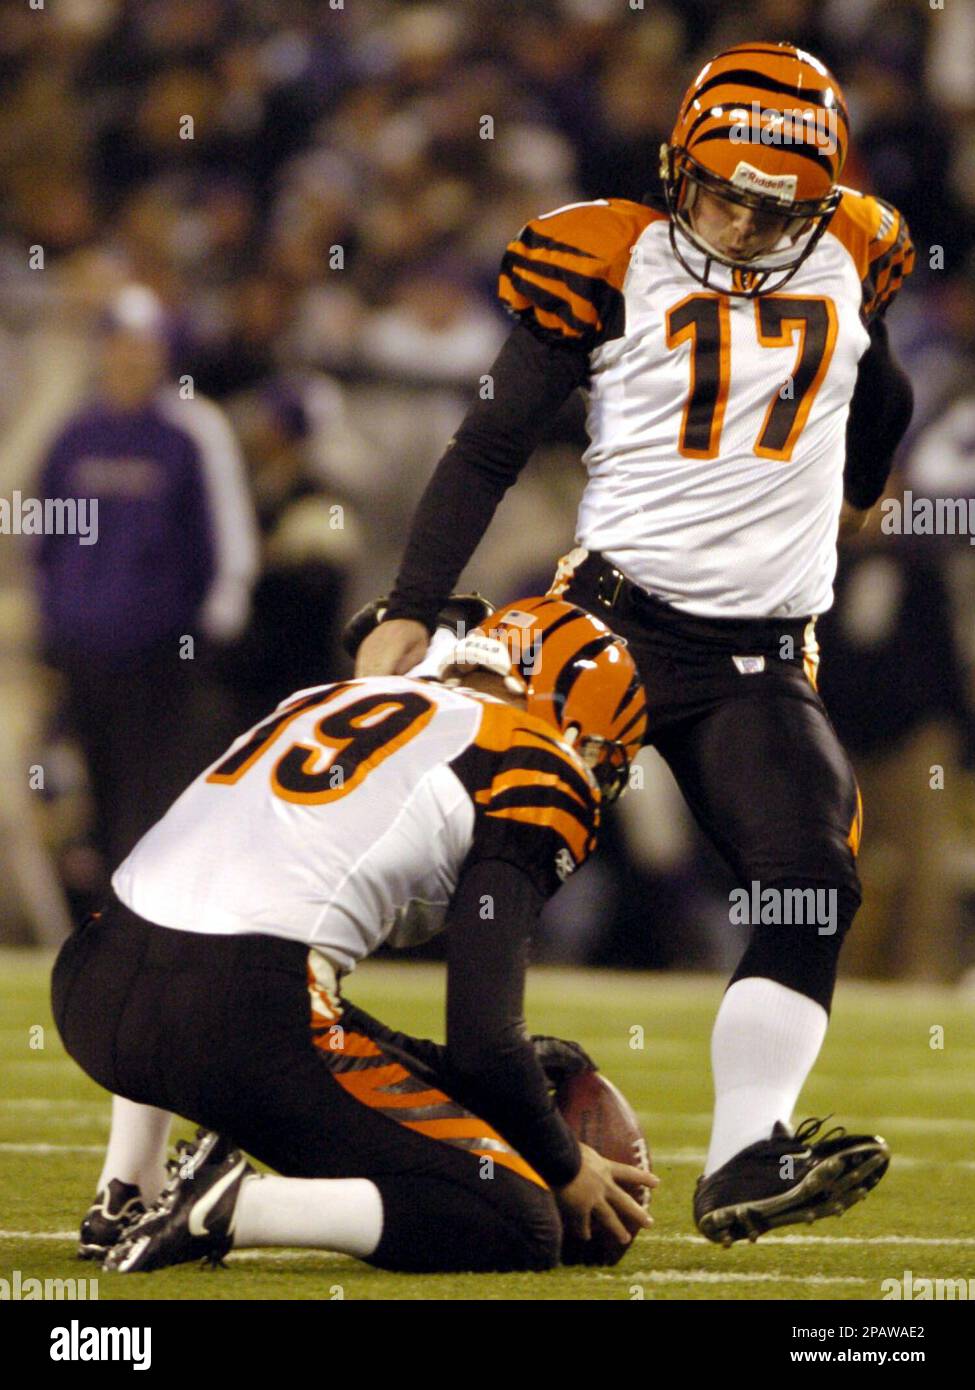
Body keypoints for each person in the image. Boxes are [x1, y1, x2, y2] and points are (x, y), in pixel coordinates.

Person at [354, 42, 913, 1245]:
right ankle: (309, 1064)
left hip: (759, 657)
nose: (756, 231)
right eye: (729, 199)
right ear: (676, 168)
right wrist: (410, 602)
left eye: (784, 211)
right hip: (601, 622)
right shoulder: (613, 256)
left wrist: (863, 478)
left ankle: (745, 1154)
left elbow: (884, 386)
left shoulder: (860, 244)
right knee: (476, 854)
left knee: (814, 884)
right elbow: (491, 444)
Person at [53, 596, 656, 1274]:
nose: (596, 780)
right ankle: (234, 1208)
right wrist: (564, 1164)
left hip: (90, 980)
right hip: (232, 1017)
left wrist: (443, 1071)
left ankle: (127, 1189)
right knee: (516, 1218)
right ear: (574, 722)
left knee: (213, 930)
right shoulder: (536, 763)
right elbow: (486, 1040)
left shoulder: (337, 696)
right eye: (603, 759)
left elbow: (214, 901)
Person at [35, 284, 259, 884]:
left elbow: (230, 541)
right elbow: (48, 544)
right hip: (85, 654)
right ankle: (110, 937)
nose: (130, 357)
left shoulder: (191, 430)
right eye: (119, 343)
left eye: (143, 344)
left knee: (157, 801)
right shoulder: (74, 437)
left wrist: (211, 633)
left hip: (164, 654)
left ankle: (156, 941)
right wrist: (51, 626)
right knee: (96, 806)